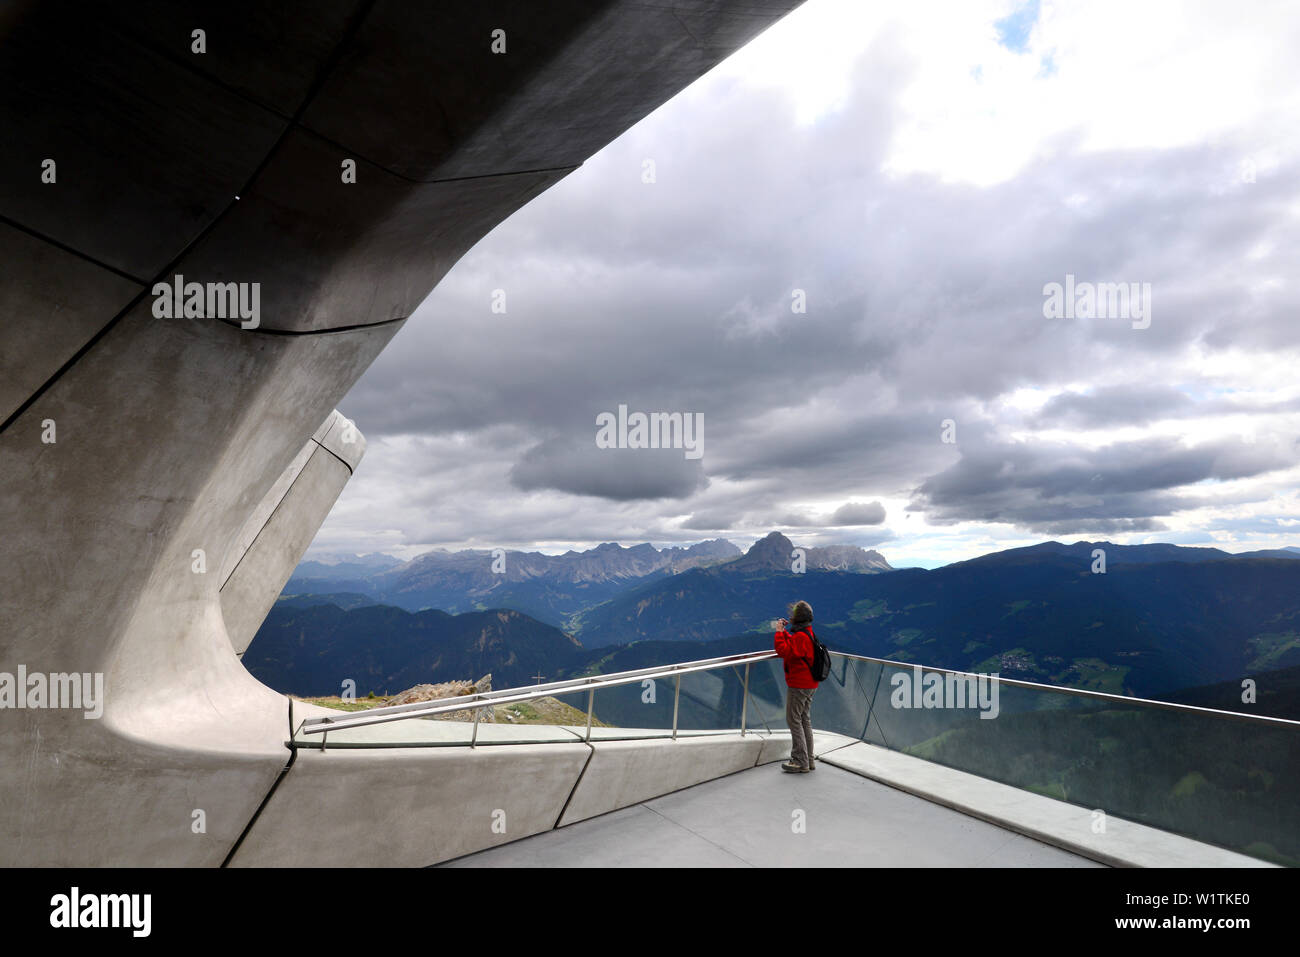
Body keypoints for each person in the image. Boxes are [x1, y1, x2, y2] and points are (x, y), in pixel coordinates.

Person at [774, 600, 818, 773]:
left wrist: (778, 633)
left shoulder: (801, 636)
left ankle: (800, 761)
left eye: (793, 614)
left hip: (799, 684)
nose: (791, 616)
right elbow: (794, 647)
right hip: (810, 683)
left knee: (793, 720)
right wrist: (784, 633)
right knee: (804, 719)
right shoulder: (807, 633)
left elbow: (783, 651)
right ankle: (809, 759)